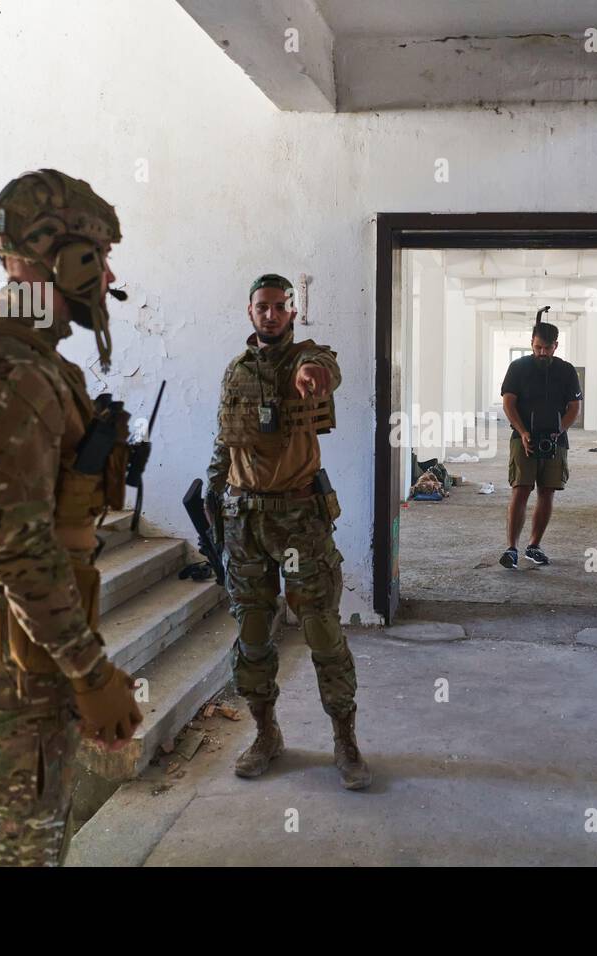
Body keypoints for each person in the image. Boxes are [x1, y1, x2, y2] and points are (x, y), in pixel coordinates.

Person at [0, 169, 143, 866]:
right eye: (99, 257)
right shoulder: (13, 373)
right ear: (64, 257)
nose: (107, 275)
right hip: (16, 664)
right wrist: (91, 675)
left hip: (17, 651)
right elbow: (17, 553)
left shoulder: (25, 362)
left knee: (29, 834)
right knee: (19, 847)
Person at [206, 274, 370, 790]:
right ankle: (266, 734)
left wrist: (313, 374)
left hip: (298, 520)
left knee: (321, 628)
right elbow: (225, 438)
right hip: (244, 521)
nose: (271, 314)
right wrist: (213, 491)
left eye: (280, 306)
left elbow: (325, 367)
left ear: (292, 312)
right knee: (253, 633)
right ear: (250, 312)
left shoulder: (306, 359)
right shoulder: (235, 370)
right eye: (263, 307)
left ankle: (345, 740)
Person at [497, 315, 582, 569]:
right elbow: (508, 403)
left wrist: (559, 430)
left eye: (547, 348)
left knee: (547, 492)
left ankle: (534, 546)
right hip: (523, 438)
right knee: (520, 489)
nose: (542, 352)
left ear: (556, 345)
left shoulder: (566, 371)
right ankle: (511, 548)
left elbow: (574, 407)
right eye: (537, 347)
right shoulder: (518, 367)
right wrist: (523, 432)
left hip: (556, 440)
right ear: (531, 343)